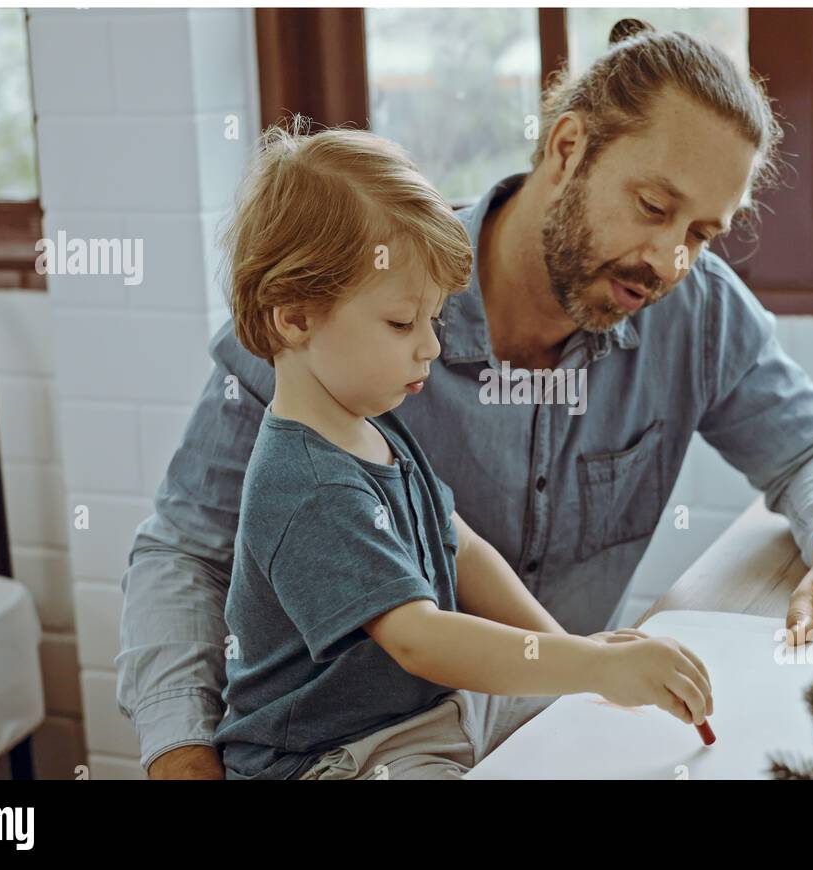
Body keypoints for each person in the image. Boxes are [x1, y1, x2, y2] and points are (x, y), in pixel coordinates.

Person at [118, 19, 813, 780]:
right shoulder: (345, 297)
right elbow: (185, 550)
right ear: (567, 148)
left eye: (703, 234)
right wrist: (184, 757)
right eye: (653, 207)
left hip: (539, 716)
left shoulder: (698, 310)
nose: (671, 261)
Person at [211, 123, 711, 779]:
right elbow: (419, 638)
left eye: (435, 320)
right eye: (400, 322)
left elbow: (462, 548)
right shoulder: (310, 486)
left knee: (583, 732)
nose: (431, 348)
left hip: (422, 715)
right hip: (332, 759)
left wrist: (571, 653)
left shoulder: (372, 426)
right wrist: (596, 666)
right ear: (295, 317)